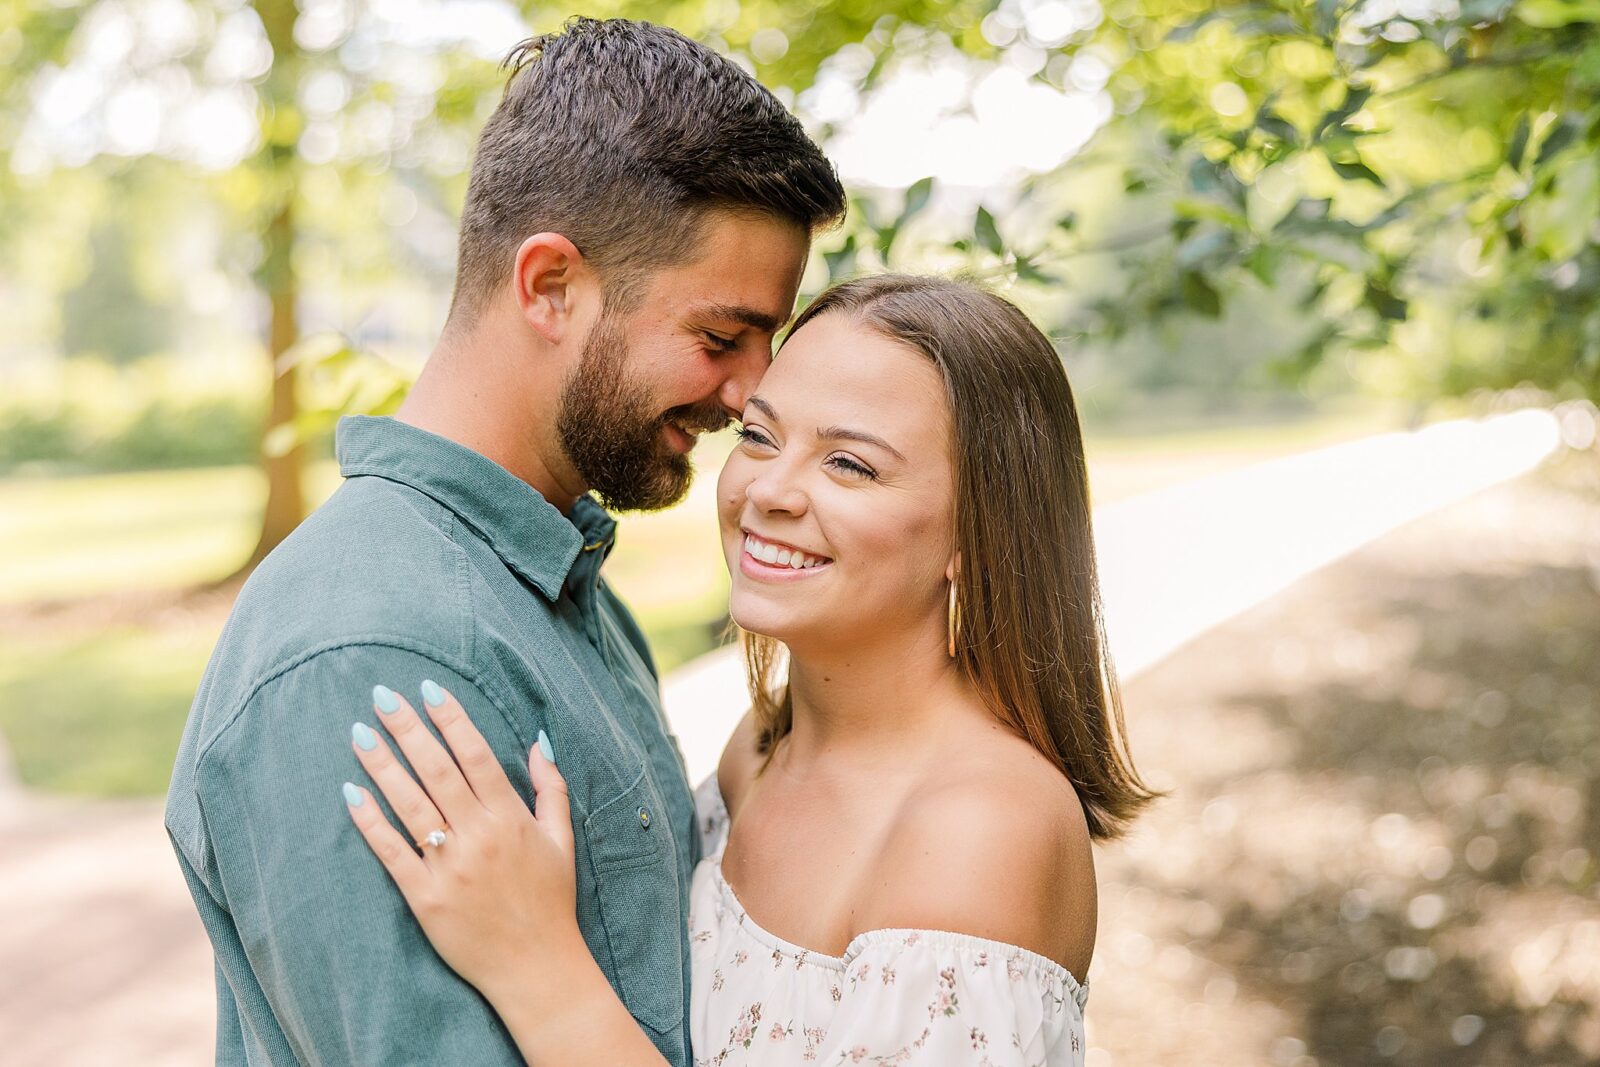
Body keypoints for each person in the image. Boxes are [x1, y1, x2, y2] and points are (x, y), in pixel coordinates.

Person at [164, 18, 846, 1065]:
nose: (751, 389)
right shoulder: (372, 660)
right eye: (719, 336)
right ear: (549, 285)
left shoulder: (561, 578)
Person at [341, 275, 1161, 1064]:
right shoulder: (764, 746)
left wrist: (536, 966)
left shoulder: (980, 831)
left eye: (850, 464)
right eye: (760, 436)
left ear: (975, 534)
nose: (769, 489)